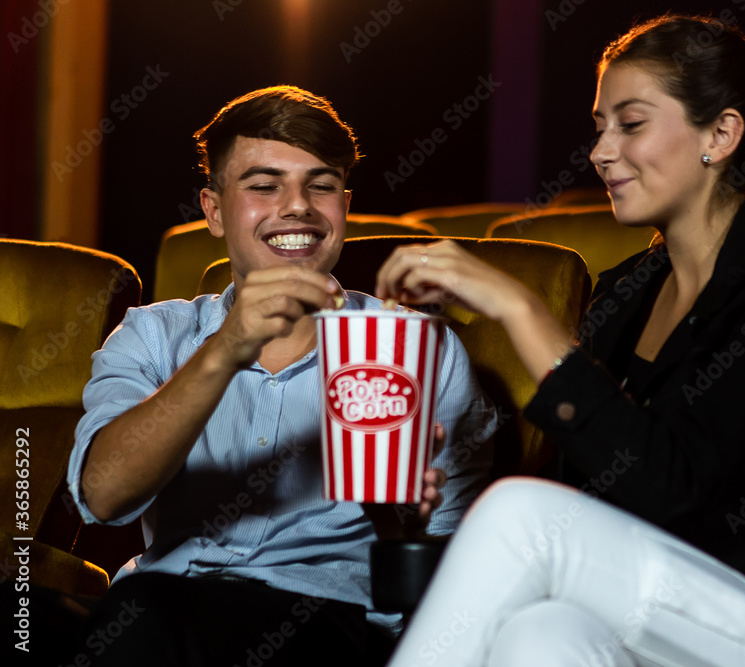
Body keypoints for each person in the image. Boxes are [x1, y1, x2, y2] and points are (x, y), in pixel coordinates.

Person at [375, 14, 745, 667]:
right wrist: (418, 507)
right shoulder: (624, 296)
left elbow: (673, 492)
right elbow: (592, 504)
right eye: (600, 127)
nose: (600, 151)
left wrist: (518, 307)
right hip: (674, 632)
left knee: (519, 515)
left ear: (722, 133)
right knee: (538, 633)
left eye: (631, 123)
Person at [66, 85, 497, 666]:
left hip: (328, 625)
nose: (297, 206)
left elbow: (458, 571)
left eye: (321, 185)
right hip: (160, 608)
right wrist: (225, 351)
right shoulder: (152, 335)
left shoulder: (417, 347)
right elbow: (104, 495)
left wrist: (400, 533)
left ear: (344, 205)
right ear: (214, 211)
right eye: (264, 186)